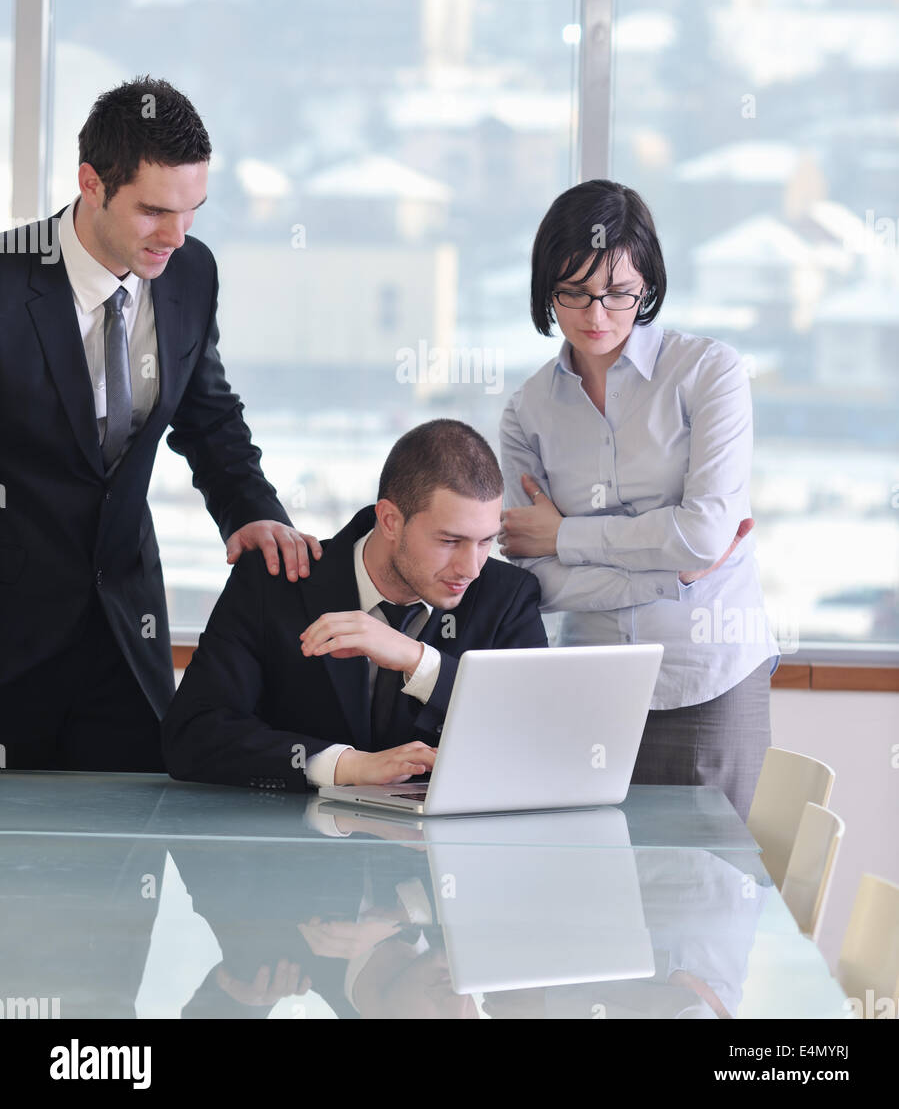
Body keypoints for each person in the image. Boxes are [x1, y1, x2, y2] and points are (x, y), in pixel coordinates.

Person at [0, 76, 319, 773]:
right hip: (12, 640)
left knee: (129, 857)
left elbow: (208, 416)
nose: (175, 236)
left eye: (192, 210)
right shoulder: (7, 280)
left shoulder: (188, 274)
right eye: (153, 211)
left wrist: (250, 511)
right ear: (91, 183)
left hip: (124, 630)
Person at [498, 180, 776, 821]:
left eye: (618, 293)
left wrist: (566, 536)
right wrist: (672, 573)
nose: (596, 315)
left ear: (647, 285)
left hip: (708, 678)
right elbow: (537, 583)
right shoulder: (526, 414)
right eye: (574, 292)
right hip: (590, 688)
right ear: (547, 288)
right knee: (594, 902)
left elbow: (704, 535)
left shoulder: (711, 373)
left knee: (707, 898)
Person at [162, 419, 547, 791]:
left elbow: (536, 741)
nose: (471, 568)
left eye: (485, 542)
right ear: (390, 520)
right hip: (291, 846)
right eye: (449, 541)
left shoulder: (508, 597)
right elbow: (192, 736)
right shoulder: (273, 584)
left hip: (436, 853)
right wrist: (344, 765)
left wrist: (419, 661)